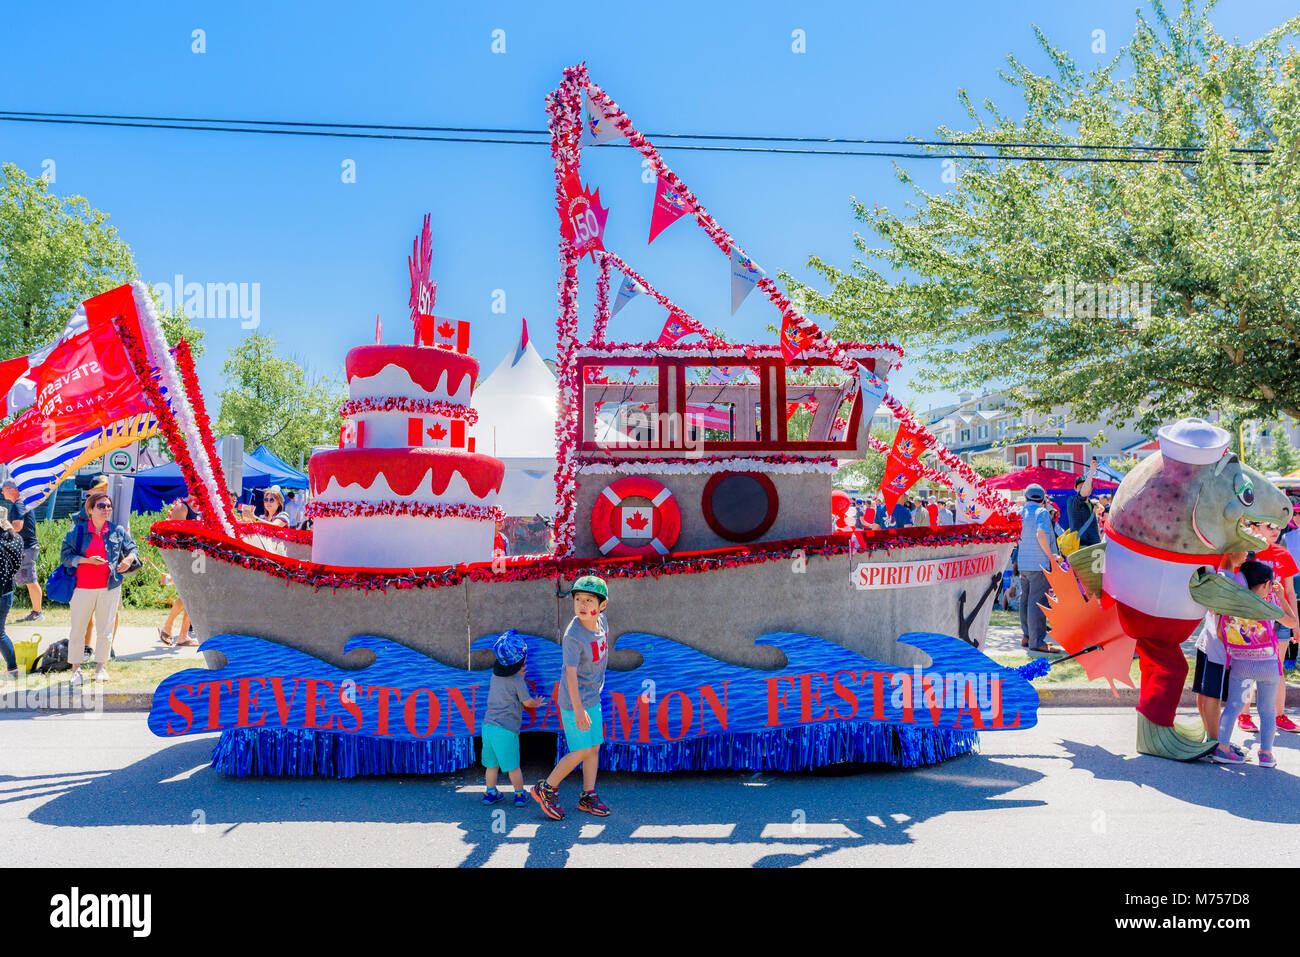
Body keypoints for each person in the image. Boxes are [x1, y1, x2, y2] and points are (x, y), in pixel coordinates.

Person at [533, 575, 611, 820]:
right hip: (574, 702)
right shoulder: (573, 636)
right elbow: (569, 675)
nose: (583, 605)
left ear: (602, 606)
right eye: (578, 599)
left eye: (589, 600)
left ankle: (588, 795)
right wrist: (578, 709)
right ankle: (546, 788)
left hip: (592, 698)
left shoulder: (603, 622)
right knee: (581, 749)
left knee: (594, 747)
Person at [1212, 561, 1297, 767]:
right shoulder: (1268, 607)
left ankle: (1222, 749)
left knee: (1233, 707)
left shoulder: (1231, 607)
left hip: (1241, 666)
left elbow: (1220, 634)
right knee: (1267, 710)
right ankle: (1266, 754)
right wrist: (1280, 597)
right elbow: (1292, 622)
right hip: (1268, 666)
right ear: (1268, 584)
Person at [61, 489, 141, 684]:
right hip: (82, 587)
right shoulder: (77, 531)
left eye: (108, 506)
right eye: (101, 506)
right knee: (78, 629)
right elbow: (65, 557)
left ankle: (100, 667)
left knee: (105, 629)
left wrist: (129, 559)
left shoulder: (117, 530)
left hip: (110, 587)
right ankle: (76, 669)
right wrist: (86, 561)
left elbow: (133, 548)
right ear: (90, 510)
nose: (106, 509)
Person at [1241, 519, 1300, 733]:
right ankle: (1244, 714)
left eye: (1278, 527)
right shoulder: (1246, 554)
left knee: (1278, 668)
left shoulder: (1284, 554)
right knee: (1248, 667)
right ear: (1254, 528)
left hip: (1281, 619)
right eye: (1270, 526)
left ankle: (1280, 715)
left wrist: (1296, 624)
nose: (1276, 531)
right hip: (1254, 621)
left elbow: (1290, 592)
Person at [481, 630, 547, 807]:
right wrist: (537, 703)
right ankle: (519, 794)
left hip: (488, 727)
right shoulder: (518, 681)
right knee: (513, 766)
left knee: (491, 765)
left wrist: (518, 676)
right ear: (521, 661)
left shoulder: (495, 676)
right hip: (506, 730)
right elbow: (527, 702)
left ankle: (490, 793)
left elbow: (506, 687)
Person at [1193, 551, 1247, 752]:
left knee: (1205, 691)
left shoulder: (1219, 574)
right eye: (1242, 548)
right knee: (1212, 695)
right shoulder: (1225, 578)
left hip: (1208, 641)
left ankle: (1210, 737)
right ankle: (1216, 743)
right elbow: (1218, 611)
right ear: (1230, 551)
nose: (1246, 553)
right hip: (1218, 646)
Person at [1017, 484, 1063, 654]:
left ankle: (1028, 636)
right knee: (1037, 603)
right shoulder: (1042, 513)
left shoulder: (1020, 513)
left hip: (1024, 563)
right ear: (1043, 499)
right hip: (1039, 564)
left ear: (1026, 497)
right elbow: (1041, 534)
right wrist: (1052, 556)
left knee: (1025, 600)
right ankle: (1037, 641)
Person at [2, 480, 44, 622]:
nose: (2, 492)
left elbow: (17, 526)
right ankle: (36, 611)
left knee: (31, 580)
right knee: (28, 580)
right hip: (26, 547)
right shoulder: (22, 503)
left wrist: (4, 530)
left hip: (26, 548)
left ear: (12, 489)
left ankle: (37, 612)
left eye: (4, 489)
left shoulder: (18, 504)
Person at [0, 514, 26, 677]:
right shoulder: (17, 539)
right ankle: (13, 669)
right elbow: (16, 566)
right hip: (6, 590)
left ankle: (13, 668)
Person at [1066, 461, 1103, 549]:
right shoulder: (1073, 501)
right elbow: (1083, 494)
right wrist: (1091, 472)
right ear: (1075, 488)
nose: (1083, 488)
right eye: (1080, 486)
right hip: (1080, 548)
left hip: (1094, 548)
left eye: (1086, 485)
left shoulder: (1091, 504)